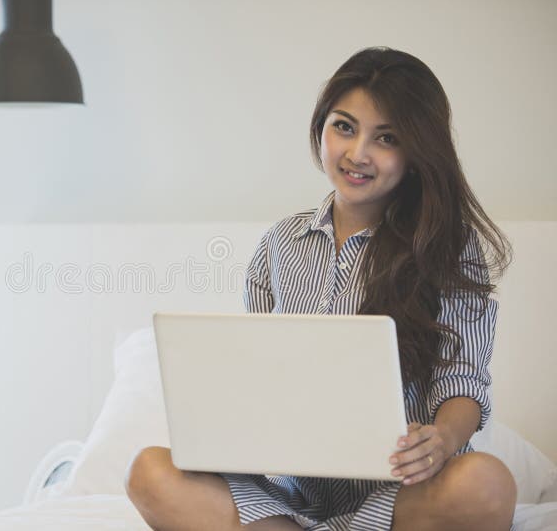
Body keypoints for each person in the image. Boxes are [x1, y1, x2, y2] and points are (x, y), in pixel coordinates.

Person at [124, 47, 518, 531]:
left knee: (487, 483)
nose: (357, 154)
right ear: (321, 127)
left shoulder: (447, 247)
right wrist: (226, 431)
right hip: (291, 499)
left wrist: (439, 439)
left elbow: (464, 380)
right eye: (344, 127)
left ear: (416, 153)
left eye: (386, 138)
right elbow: (258, 375)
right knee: (148, 472)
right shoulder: (279, 244)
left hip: (402, 498)